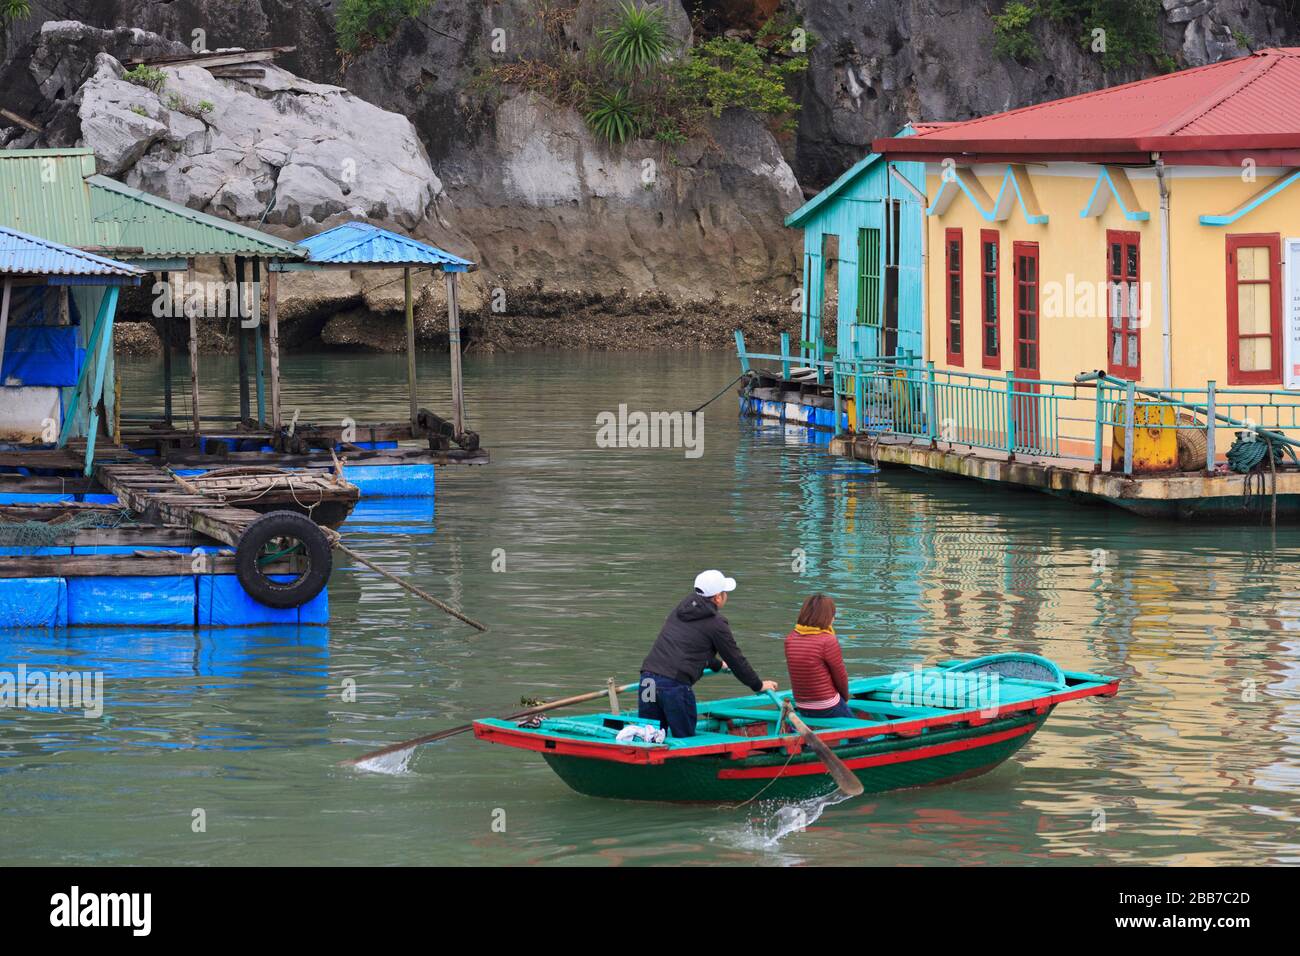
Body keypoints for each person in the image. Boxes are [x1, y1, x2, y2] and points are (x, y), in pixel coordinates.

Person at [639, 569, 778, 738]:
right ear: (718, 597)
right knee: (684, 739)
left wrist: (718, 665)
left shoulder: (680, 611)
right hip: (673, 687)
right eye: (725, 592)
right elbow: (736, 660)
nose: (726, 596)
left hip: (648, 681)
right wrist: (758, 685)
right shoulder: (717, 624)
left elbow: (692, 648)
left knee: (648, 736)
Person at [784, 594, 853, 719]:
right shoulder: (827, 640)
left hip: (802, 705)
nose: (834, 619)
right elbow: (840, 674)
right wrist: (845, 698)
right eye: (833, 614)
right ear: (827, 617)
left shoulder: (790, 638)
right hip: (826, 705)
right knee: (858, 735)